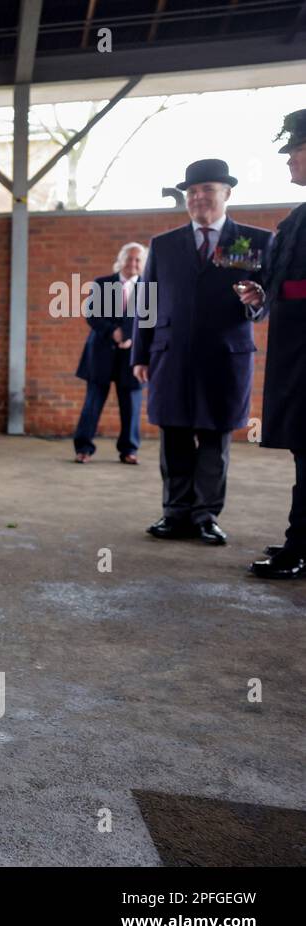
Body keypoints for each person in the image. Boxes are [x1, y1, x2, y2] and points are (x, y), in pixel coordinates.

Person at [130, 159, 271, 546]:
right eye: (191, 192)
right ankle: (174, 514)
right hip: (170, 356)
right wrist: (139, 355)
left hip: (226, 358)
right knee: (174, 437)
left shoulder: (257, 241)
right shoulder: (164, 244)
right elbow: (147, 302)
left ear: (227, 193)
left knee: (214, 440)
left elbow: (267, 301)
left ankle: (206, 516)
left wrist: (256, 302)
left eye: (207, 189)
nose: (197, 198)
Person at [238, 110, 306, 580]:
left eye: (294, 152)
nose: (287, 161)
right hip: (295, 351)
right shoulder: (297, 216)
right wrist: (264, 293)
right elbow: (287, 280)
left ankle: (299, 547)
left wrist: (282, 293)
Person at [72, 243, 146, 464]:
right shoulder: (102, 283)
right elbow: (91, 315)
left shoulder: (150, 287)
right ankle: (83, 448)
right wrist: (112, 332)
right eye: (129, 258)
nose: (133, 263)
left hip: (133, 355)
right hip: (101, 352)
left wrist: (131, 337)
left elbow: (150, 320)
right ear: (120, 260)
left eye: (137, 260)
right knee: (92, 404)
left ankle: (129, 450)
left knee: (131, 406)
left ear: (142, 264)